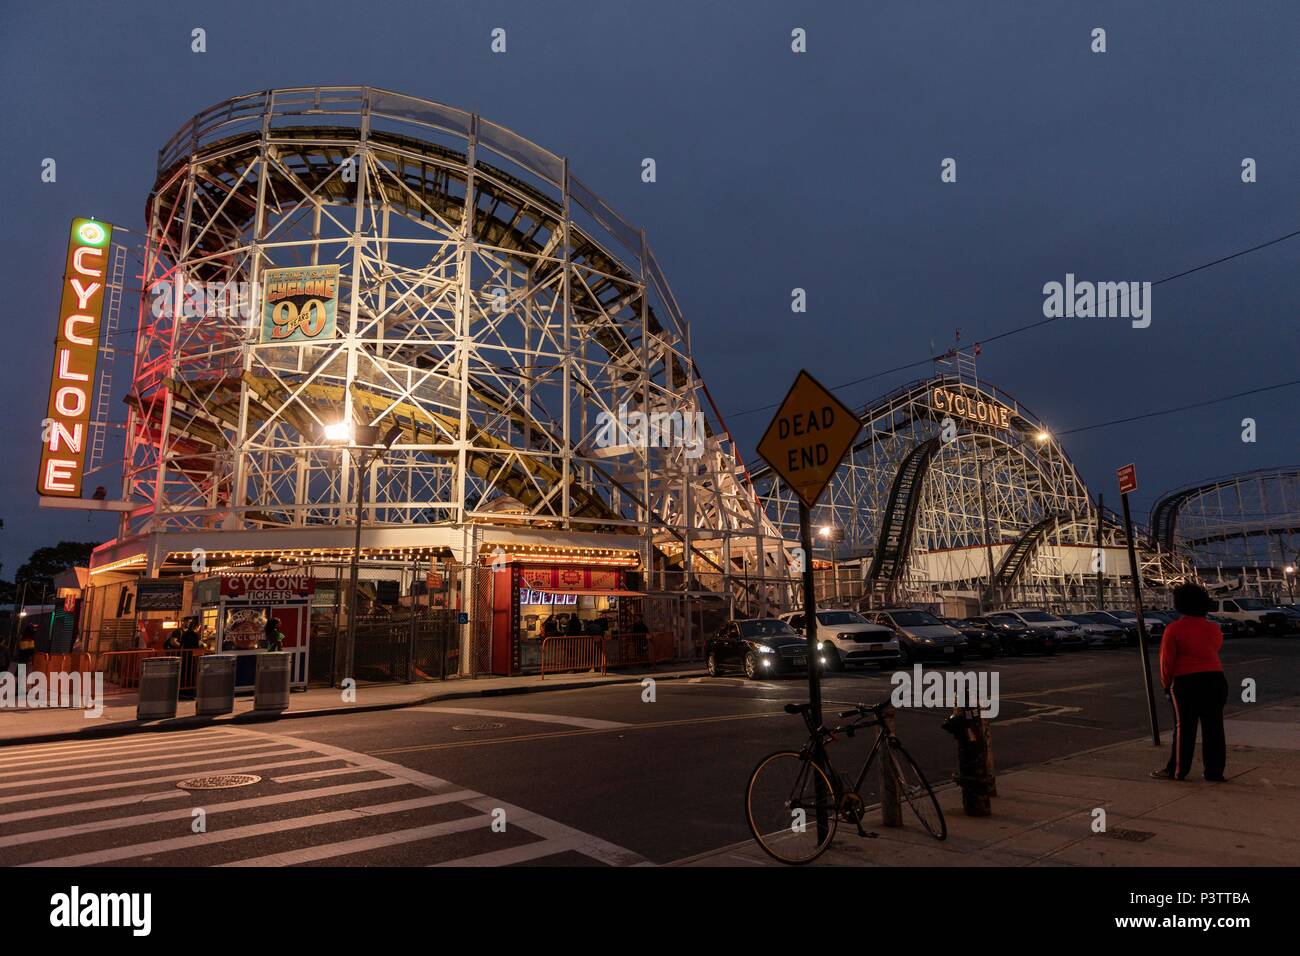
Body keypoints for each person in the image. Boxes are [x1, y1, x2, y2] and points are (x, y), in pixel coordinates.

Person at [1151, 583, 1228, 782]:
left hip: (1186, 681)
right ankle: (1214, 772)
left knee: (1184, 728)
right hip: (1215, 679)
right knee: (1214, 728)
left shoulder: (1174, 629)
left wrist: (1166, 685)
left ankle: (1177, 770)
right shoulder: (1214, 628)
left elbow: (1167, 661)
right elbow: (1215, 648)